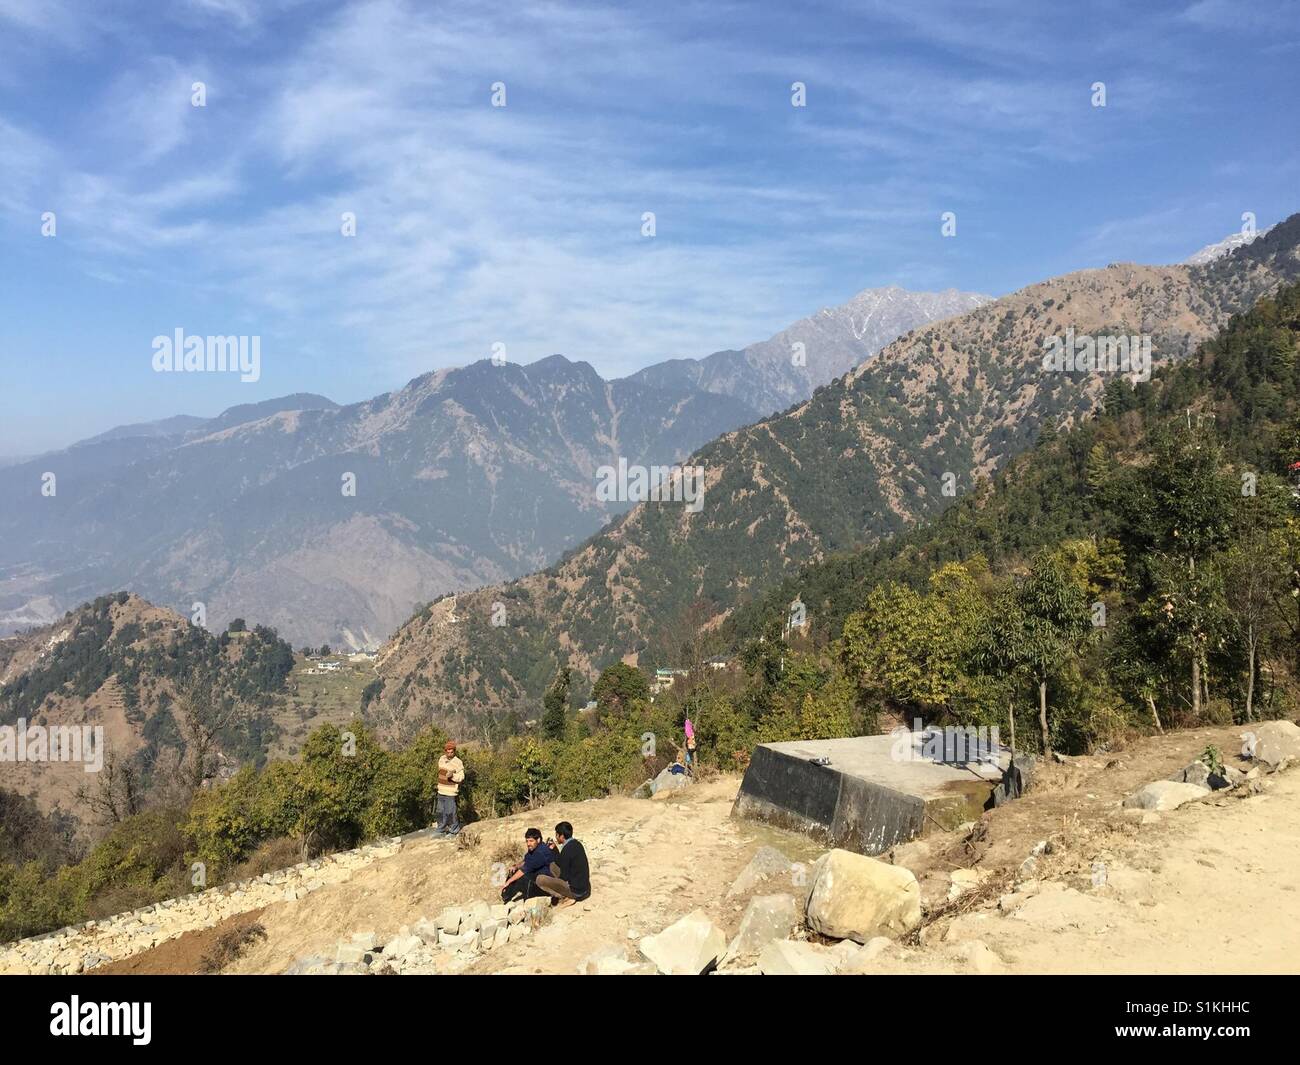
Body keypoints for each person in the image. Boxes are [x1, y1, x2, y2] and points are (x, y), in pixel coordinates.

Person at [534, 821, 591, 908]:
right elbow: (562, 861)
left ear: (562, 836)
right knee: (552, 865)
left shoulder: (567, 850)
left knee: (540, 879)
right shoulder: (576, 844)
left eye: (557, 835)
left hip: (576, 892)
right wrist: (554, 849)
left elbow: (564, 876)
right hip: (584, 888)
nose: (556, 837)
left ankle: (567, 896)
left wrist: (555, 884)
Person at [500, 828, 555, 903]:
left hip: (545, 883)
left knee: (523, 877)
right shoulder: (534, 848)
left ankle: (528, 900)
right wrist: (516, 866)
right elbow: (526, 861)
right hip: (537, 876)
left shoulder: (541, 852)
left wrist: (509, 881)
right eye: (527, 841)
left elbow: (524, 869)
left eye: (531, 841)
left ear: (538, 840)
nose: (528, 844)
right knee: (513, 870)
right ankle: (506, 897)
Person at [435, 740, 465, 836]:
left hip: (450, 792)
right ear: (445, 751)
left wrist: (452, 776)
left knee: (450, 812)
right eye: (448, 752)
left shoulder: (458, 762)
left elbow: (461, 777)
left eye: (451, 752)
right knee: (440, 811)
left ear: (454, 751)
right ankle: (441, 829)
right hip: (441, 790)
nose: (449, 754)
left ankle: (454, 830)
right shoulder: (441, 759)